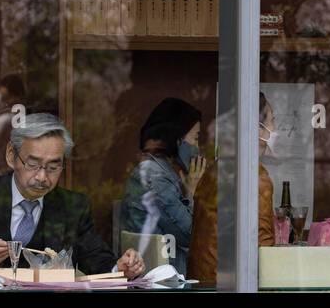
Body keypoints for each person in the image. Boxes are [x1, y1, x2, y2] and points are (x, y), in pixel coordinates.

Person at [0, 112, 144, 279]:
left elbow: (97, 260)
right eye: (33, 164)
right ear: (11, 155)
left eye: (53, 168)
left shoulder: (73, 207)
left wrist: (121, 269)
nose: (42, 177)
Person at [186, 95, 277, 283]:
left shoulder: (216, 169)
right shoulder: (255, 176)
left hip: (205, 281)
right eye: (272, 120)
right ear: (258, 129)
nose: (274, 128)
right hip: (229, 283)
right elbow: (263, 246)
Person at [119, 98, 208, 274]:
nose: (197, 147)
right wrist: (191, 192)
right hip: (159, 282)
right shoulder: (156, 177)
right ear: (177, 139)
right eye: (195, 138)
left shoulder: (160, 173)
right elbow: (190, 234)